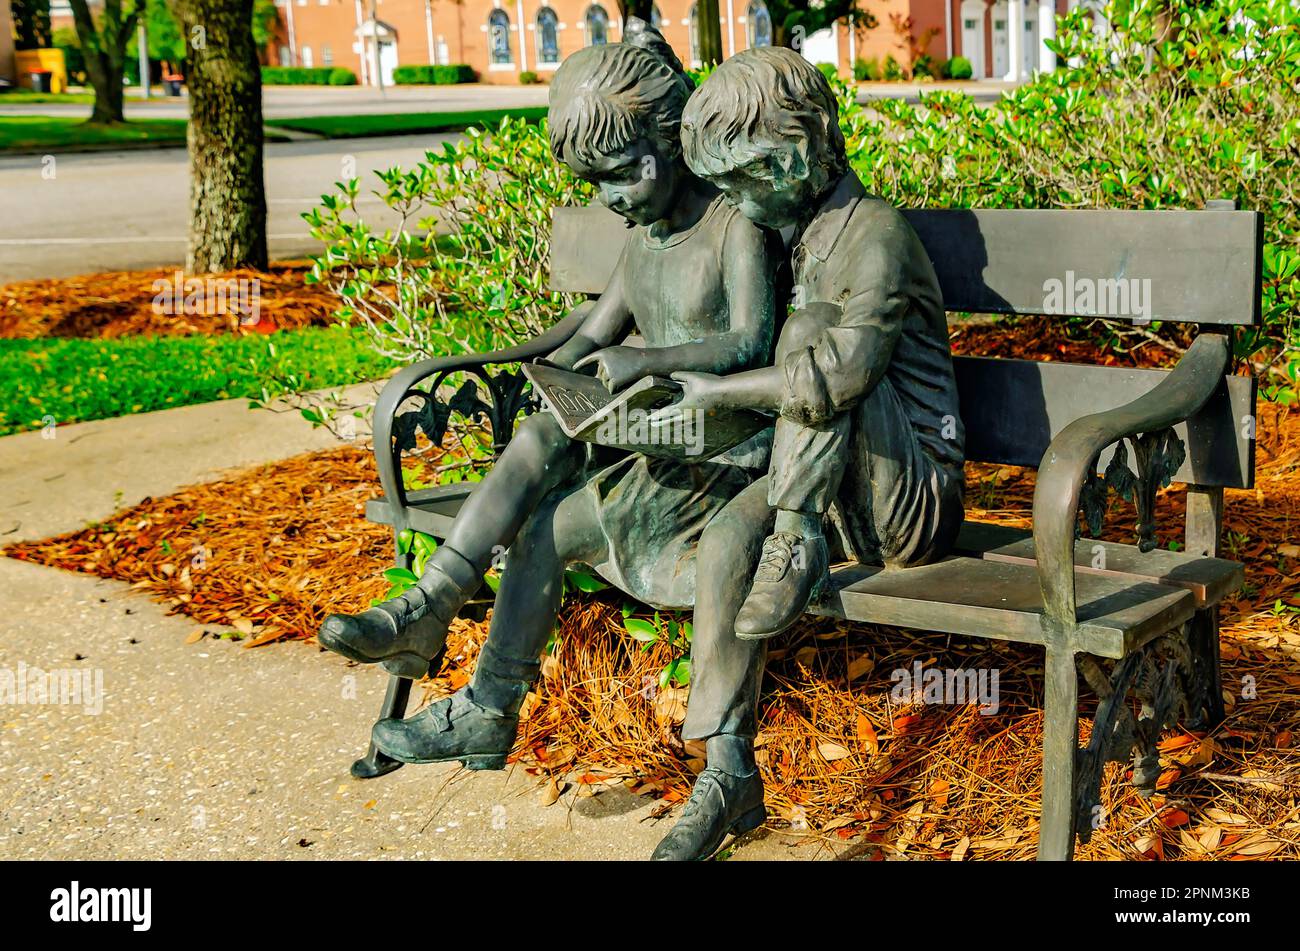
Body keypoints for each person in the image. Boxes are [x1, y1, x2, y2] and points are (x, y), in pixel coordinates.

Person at [319, 21, 782, 860]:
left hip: (726, 463)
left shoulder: (734, 228)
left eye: (619, 175)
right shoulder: (642, 242)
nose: (611, 199)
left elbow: (751, 343)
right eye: (596, 183)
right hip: (654, 452)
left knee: (703, 547)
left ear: (667, 143)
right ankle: (476, 683)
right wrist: (562, 381)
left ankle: (725, 775)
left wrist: (647, 356)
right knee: (542, 506)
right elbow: (582, 340)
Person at [672, 45, 967, 639]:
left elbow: (840, 374)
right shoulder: (798, 232)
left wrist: (720, 393)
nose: (728, 203)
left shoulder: (876, 237)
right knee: (725, 540)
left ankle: (795, 543)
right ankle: (715, 730)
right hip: (836, 487)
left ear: (789, 162)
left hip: (913, 504)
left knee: (812, 330)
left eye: (735, 184)